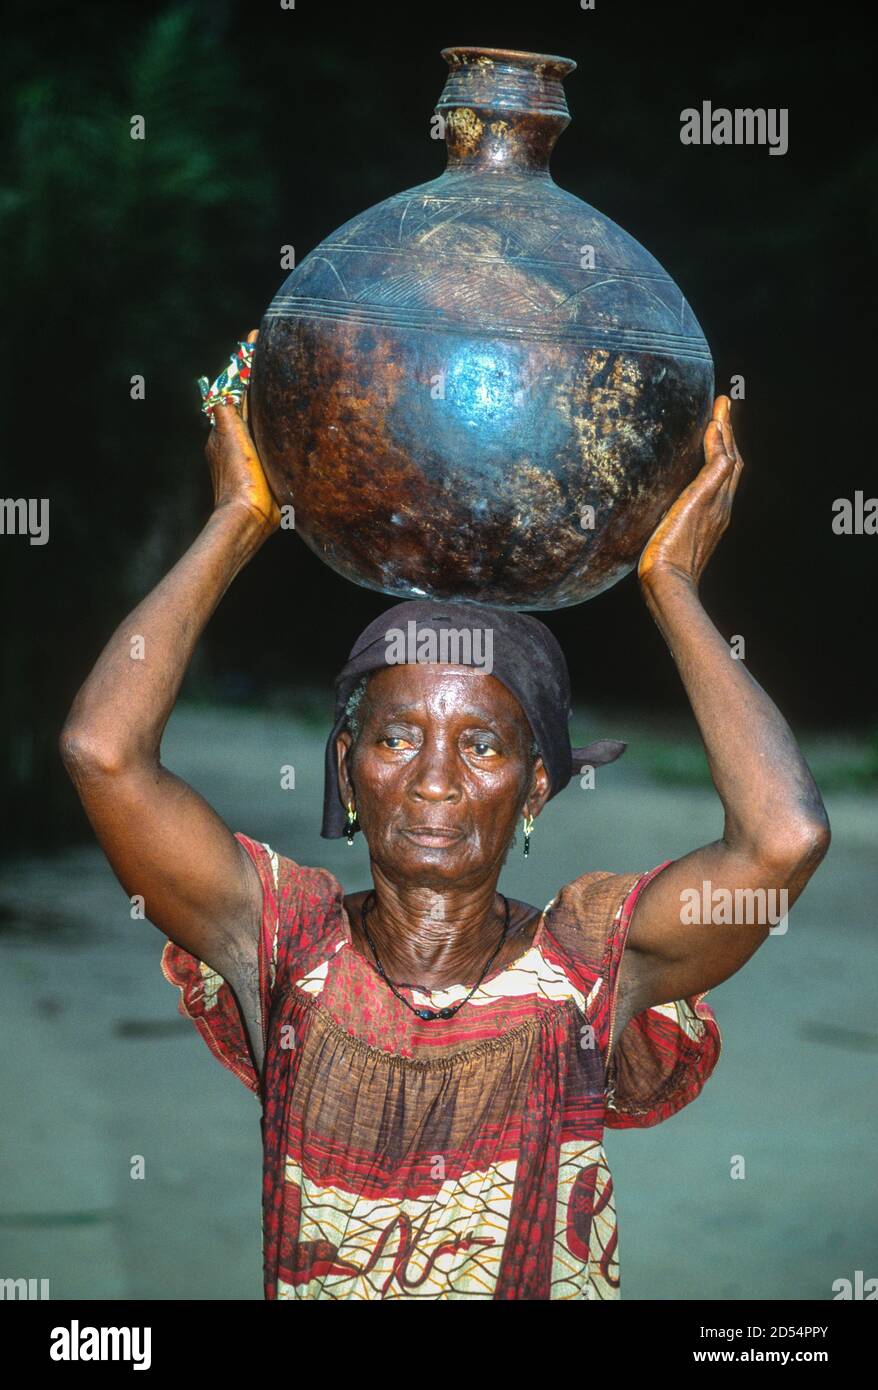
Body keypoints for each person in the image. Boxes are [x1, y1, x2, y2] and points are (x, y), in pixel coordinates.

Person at [60, 332, 830, 1300]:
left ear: (536, 784)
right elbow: (104, 751)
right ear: (345, 768)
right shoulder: (280, 940)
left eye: (482, 745)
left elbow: (782, 838)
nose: (432, 780)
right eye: (393, 739)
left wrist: (668, 582)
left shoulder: (591, 963)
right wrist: (240, 516)